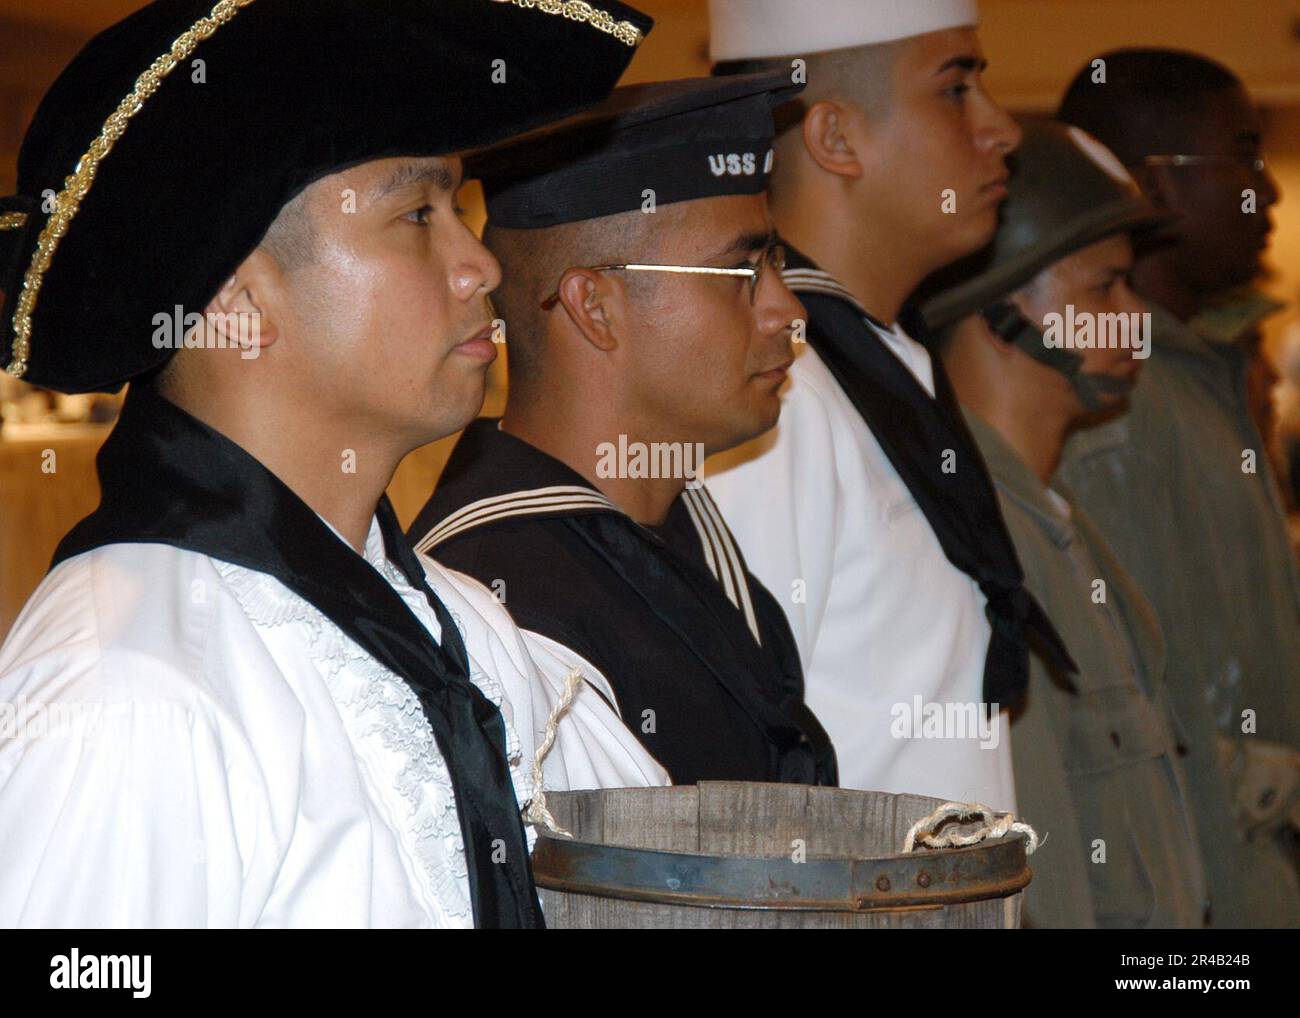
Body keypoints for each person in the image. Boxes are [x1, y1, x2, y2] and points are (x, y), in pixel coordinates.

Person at [0, 0, 658, 929]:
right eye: (417, 214)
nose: (481, 266)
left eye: (460, 209)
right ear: (237, 299)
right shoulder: (126, 696)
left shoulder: (465, 628)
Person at [408, 75, 837, 786]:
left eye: (778, 266)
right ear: (595, 306)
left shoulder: (680, 537)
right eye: (741, 270)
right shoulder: (500, 598)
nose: (787, 310)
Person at [704, 0, 1073, 807]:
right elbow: (740, 782)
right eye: (955, 89)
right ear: (836, 138)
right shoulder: (773, 397)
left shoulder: (874, 363)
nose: (1001, 128)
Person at [922, 122, 1207, 928]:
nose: (1135, 320)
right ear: (1003, 311)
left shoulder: (1051, 519)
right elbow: (1034, 863)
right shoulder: (981, 545)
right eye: (1104, 289)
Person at [1054, 48, 1300, 926]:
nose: (1265, 193)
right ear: (1153, 186)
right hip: (1197, 895)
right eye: (1242, 157)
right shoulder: (1118, 395)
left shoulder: (1194, 374)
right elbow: (1145, 706)